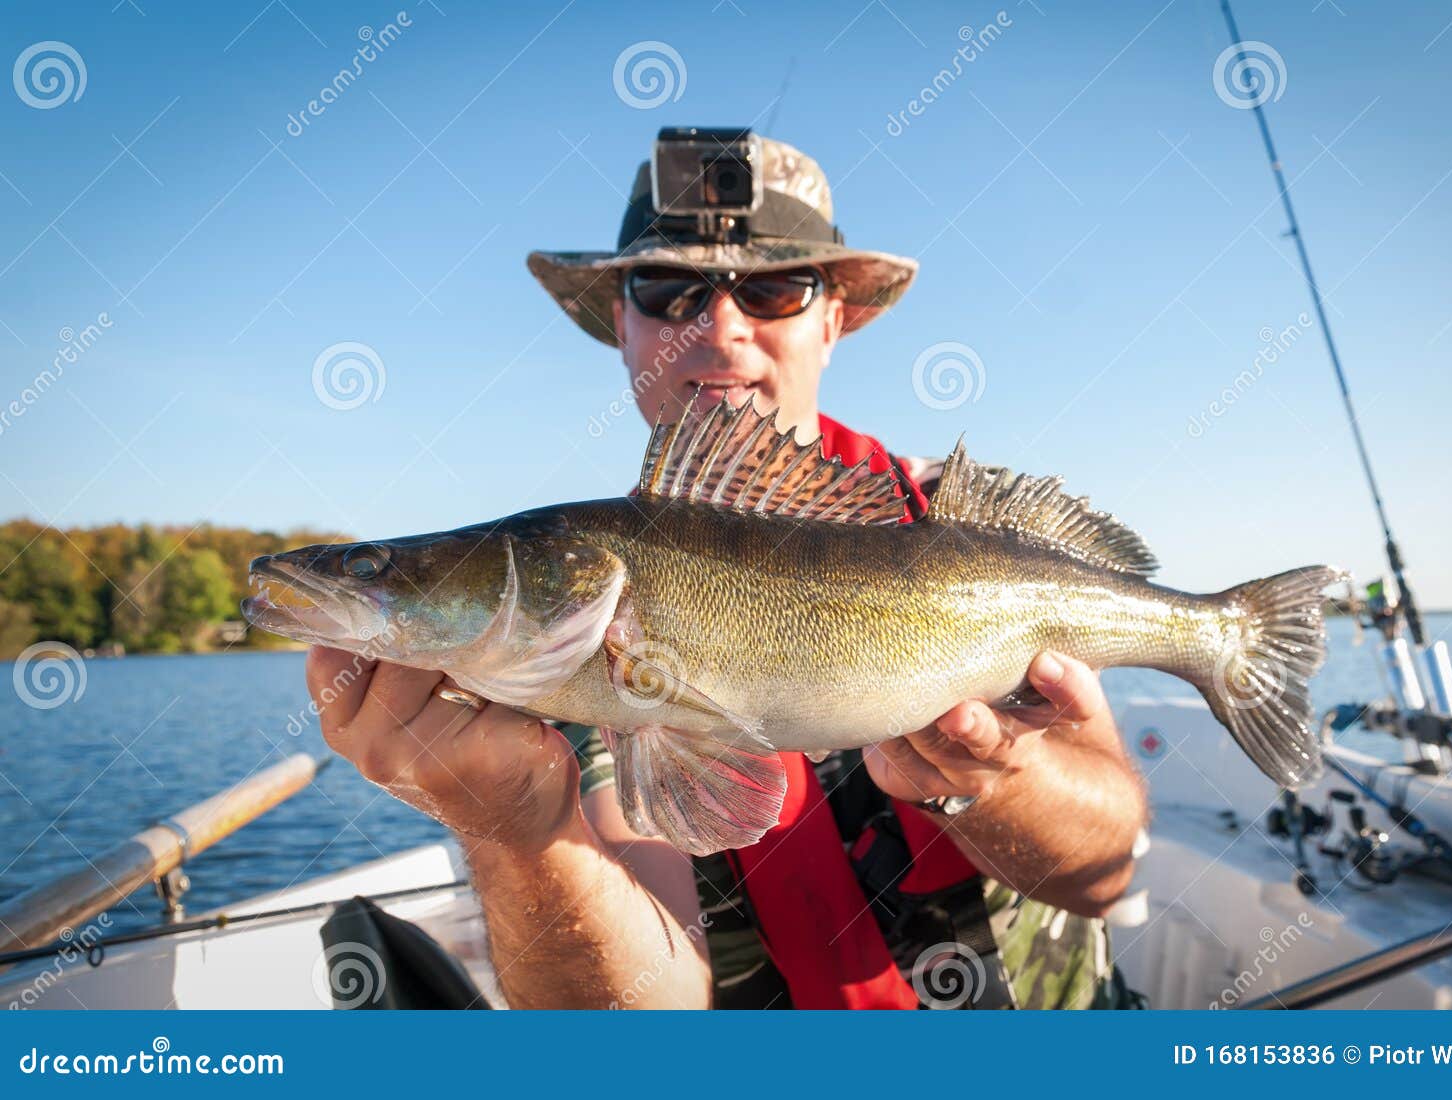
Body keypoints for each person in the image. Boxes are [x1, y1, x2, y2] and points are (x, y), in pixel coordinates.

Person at [308, 130, 1148, 1009]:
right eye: (667, 291)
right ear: (623, 328)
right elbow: (650, 1022)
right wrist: (514, 832)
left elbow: (1106, 872)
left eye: (774, 289)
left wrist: (998, 778)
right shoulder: (542, 663)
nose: (719, 327)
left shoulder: (969, 536)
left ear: (833, 320)